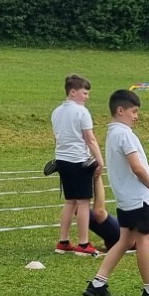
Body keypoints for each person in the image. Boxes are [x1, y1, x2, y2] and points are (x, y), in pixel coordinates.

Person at [83, 88, 149, 296]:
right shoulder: (124, 134)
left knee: (124, 241)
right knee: (144, 241)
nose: (136, 116)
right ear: (120, 110)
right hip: (138, 198)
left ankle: (98, 284)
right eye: (133, 111)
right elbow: (137, 167)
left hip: (126, 199)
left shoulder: (113, 133)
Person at [51, 73, 104, 255]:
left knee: (70, 202)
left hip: (62, 160)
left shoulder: (57, 111)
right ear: (73, 92)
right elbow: (90, 139)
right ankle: (83, 245)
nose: (87, 97)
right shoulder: (82, 112)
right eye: (84, 93)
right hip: (78, 160)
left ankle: (63, 241)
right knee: (83, 202)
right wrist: (100, 160)